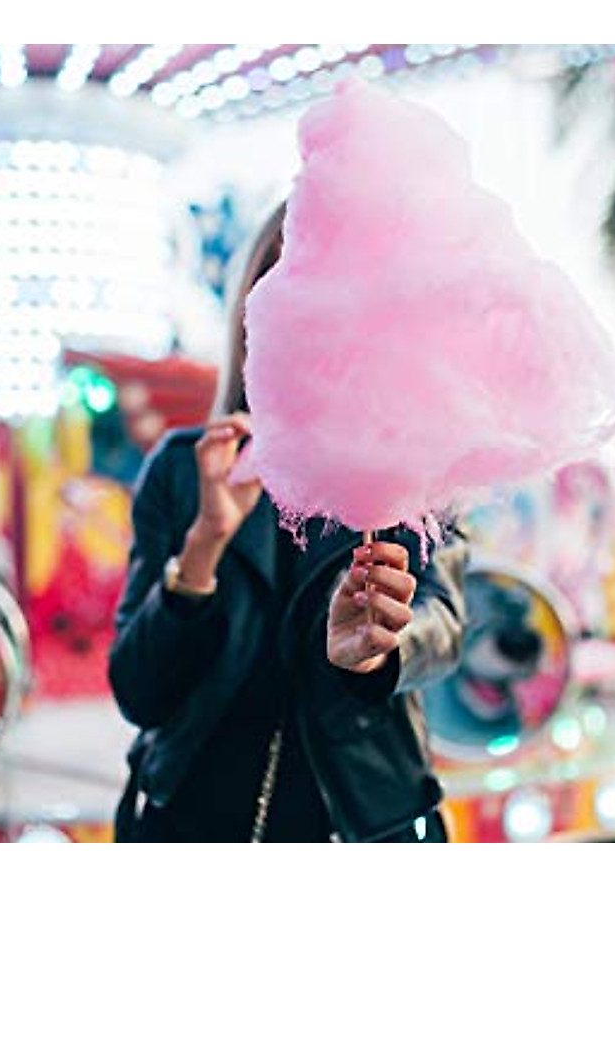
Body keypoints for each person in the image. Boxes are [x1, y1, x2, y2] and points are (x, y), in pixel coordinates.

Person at [108, 202, 467, 842]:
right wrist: (204, 545)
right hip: (193, 822)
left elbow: (443, 622)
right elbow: (138, 692)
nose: (303, 298)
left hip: (362, 825)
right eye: (280, 274)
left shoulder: (411, 475)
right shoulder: (186, 468)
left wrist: (380, 648)